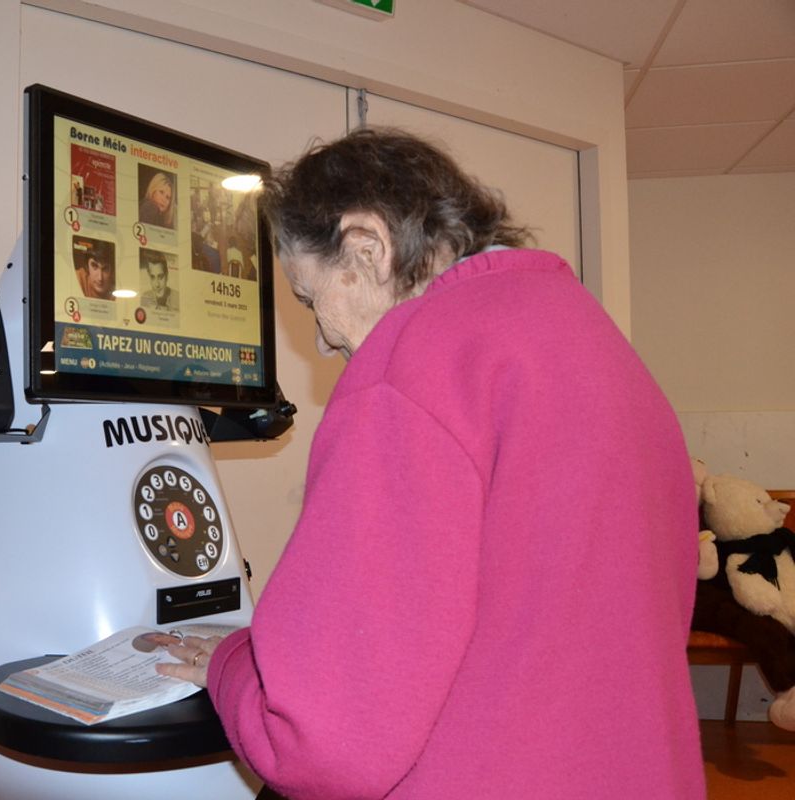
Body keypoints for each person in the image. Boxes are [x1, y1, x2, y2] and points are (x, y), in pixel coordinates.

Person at [157, 128, 705, 798]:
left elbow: (325, 744)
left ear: (368, 247)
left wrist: (231, 665)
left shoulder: (413, 361)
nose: (325, 340)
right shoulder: (598, 341)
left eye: (310, 299)